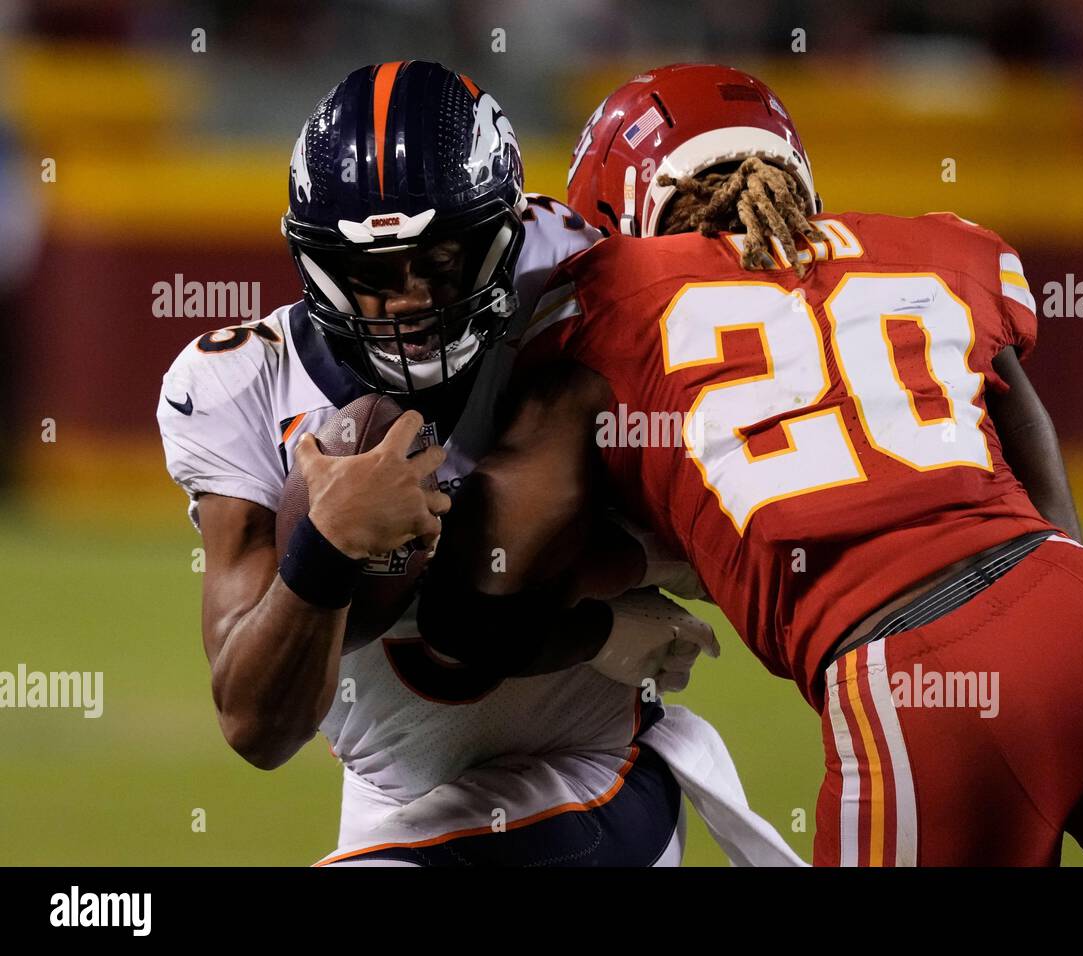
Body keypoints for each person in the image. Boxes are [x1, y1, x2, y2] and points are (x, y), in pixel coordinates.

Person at [424, 63, 1083, 866]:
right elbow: (1043, 494)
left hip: (916, 676)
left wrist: (608, 621)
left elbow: (470, 618)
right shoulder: (941, 251)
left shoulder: (605, 306)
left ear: (618, 220)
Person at [158, 60, 800, 867]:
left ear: (503, 238)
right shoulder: (236, 383)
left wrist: (621, 579)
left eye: (441, 261)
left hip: (587, 770)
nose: (411, 301)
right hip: (396, 801)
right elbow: (255, 724)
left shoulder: (581, 275)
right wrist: (326, 546)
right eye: (374, 274)